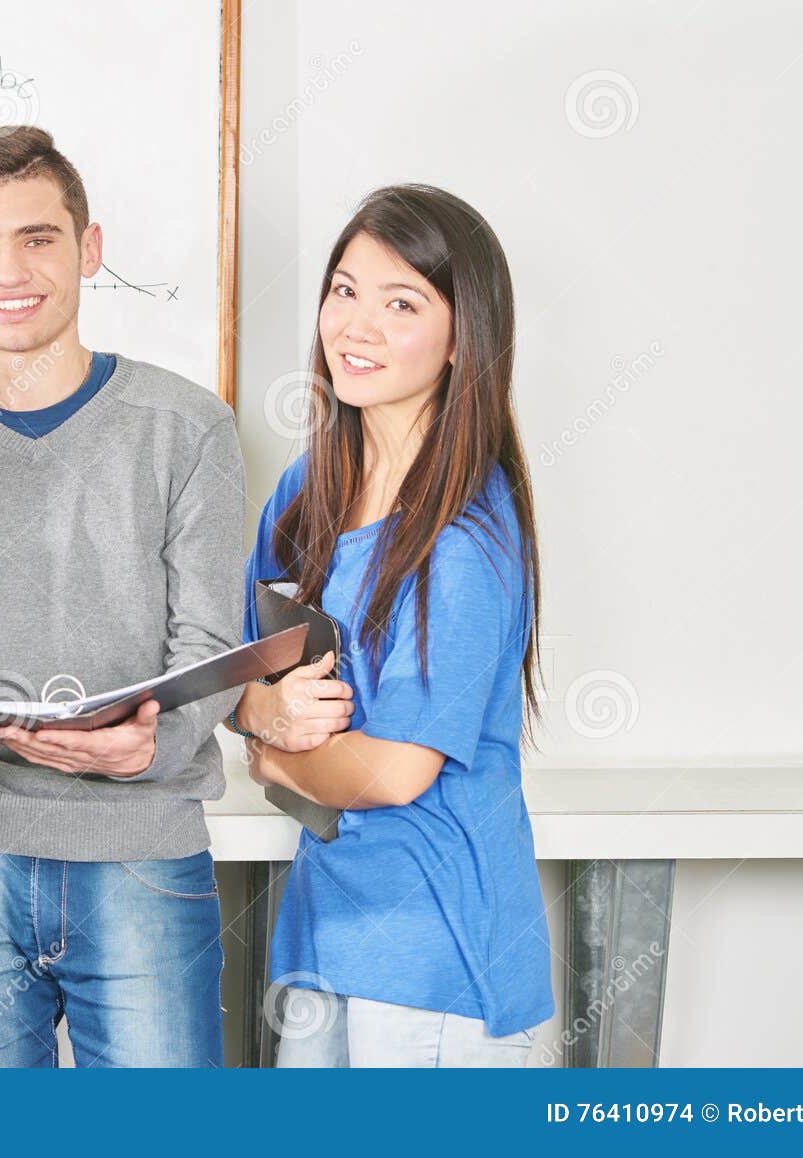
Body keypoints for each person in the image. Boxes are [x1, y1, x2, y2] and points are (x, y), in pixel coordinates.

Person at [0, 127, 245, 1068]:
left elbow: (211, 646)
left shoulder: (190, 429)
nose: (8, 269)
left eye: (39, 237)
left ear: (88, 249)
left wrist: (156, 741)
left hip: (142, 855)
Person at [233, 184, 553, 1067]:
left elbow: (394, 771)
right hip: (327, 929)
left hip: (439, 963)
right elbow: (228, 661)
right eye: (344, 291)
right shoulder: (309, 489)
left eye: (401, 303)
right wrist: (259, 713)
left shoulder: (466, 539)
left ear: (463, 341)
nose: (356, 328)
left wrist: (271, 754)